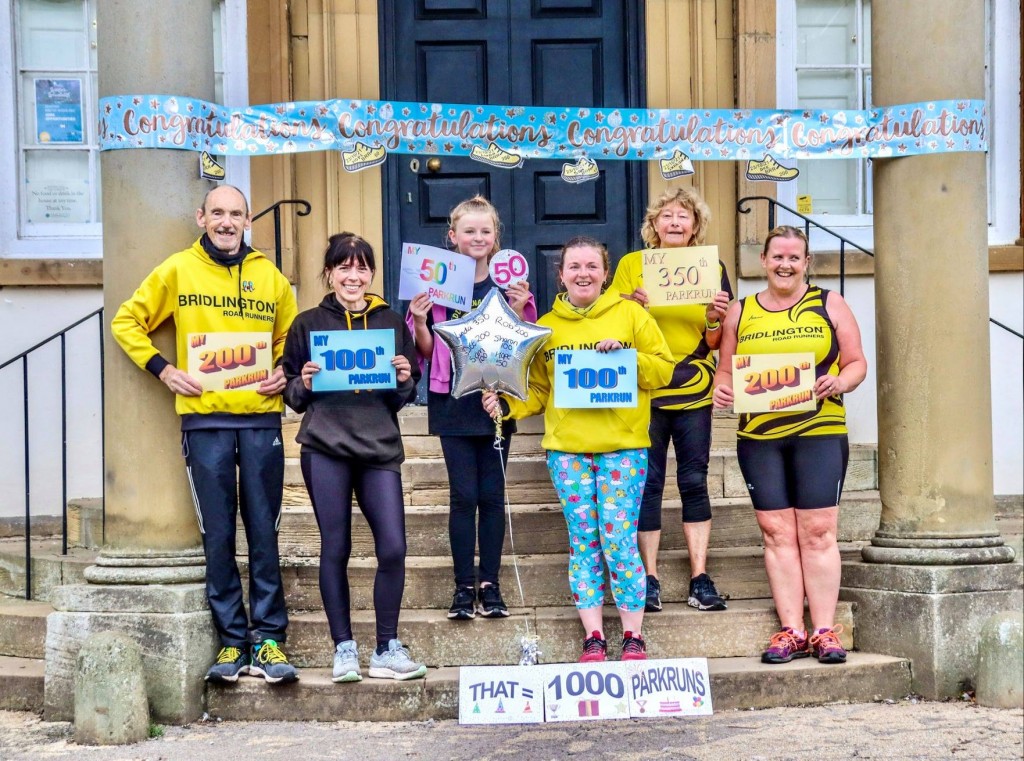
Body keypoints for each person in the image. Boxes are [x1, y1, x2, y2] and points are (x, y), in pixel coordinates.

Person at [111, 184, 299, 684]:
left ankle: (270, 642)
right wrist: (164, 370)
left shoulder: (270, 277)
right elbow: (126, 320)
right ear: (201, 217)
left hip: (261, 419)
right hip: (205, 421)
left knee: (264, 532)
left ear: (246, 221)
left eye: (235, 213)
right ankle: (233, 643)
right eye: (218, 212)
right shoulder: (177, 269)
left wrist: (284, 368)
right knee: (218, 537)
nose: (226, 221)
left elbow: (290, 338)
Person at [483, 236, 674, 662]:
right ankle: (593, 637)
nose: (583, 274)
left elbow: (663, 369)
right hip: (568, 452)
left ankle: (633, 636)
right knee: (583, 541)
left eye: (591, 266)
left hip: (622, 448)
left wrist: (628, 357)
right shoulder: (547, 327)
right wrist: (506, 404)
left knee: (619, 539)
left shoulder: (631, 314)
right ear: (561, 274)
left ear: (606, 273)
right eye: (574, 267)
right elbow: (538, 391)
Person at [712, 225, 867, 665]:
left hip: (818, 430)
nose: (785, 264)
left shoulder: (828, 303)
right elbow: (726, 369)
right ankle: (790, 631)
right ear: (763, 260)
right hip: (759, 436)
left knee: (817, 532)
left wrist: (840, 380)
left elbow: (857, 362)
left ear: (806, 263)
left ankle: (823, 630)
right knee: (776, 532)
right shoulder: (740, 312)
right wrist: (722, 391)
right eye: (777, 256)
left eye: (794, 257)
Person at [282, 233, 427, 682]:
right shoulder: (307, 323)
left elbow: (403, 393)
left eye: (362, 267)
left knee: (394, 547)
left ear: (370, 274)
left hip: (379, 445)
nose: (353, 275)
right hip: (326, 446)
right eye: (344, 267)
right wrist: (303, 382)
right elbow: (292, 394)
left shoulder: (390, 321)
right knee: (336, 546)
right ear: (329, 273)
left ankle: (386, 647)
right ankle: (344, 647)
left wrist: (405, 377)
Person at [407, 196, 536, 620]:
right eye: (469, 231)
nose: (477, 238)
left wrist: (517, 309)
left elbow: (519, 345)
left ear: (495, 236)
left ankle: (491, 584)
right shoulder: (437, 286)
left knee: (493, 496)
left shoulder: (507, 285)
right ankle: (463, 586)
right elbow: (426, 352)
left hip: (494, 400)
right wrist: (422, 321)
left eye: (485, 231)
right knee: (464, 496)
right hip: (452, 401)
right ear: (452, 237)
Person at [609, 187, 733, 613]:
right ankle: (649, 578)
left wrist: (716, 317)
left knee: (694, 479)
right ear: (653, 225)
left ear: (696, 226)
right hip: (644, 385)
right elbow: (613, 326)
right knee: (648, 482)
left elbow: (716, 339)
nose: (675, 222)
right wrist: (629, 305)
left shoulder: (710, 267)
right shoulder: (631, 266)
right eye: (667, 216)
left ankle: (699, 577)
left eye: (684, 216)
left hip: (694, 381)